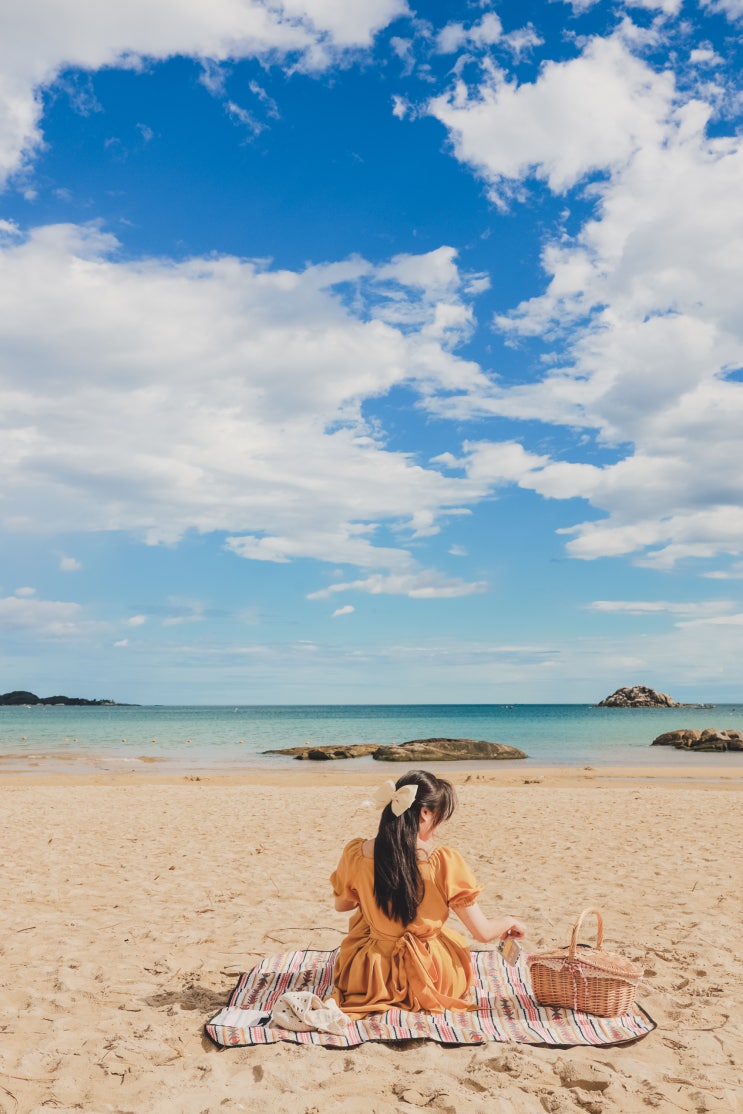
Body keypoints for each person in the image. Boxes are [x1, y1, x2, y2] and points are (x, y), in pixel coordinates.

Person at [329, 769, 526, 1018]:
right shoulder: (442, 861)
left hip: (370, 977)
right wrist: (509, 921)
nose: (439, 826)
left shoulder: (356, 853)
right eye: (440, 817)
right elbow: (483, 933)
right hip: (430, 976)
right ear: (425, 813)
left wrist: (376, 898)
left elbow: (342, 906)